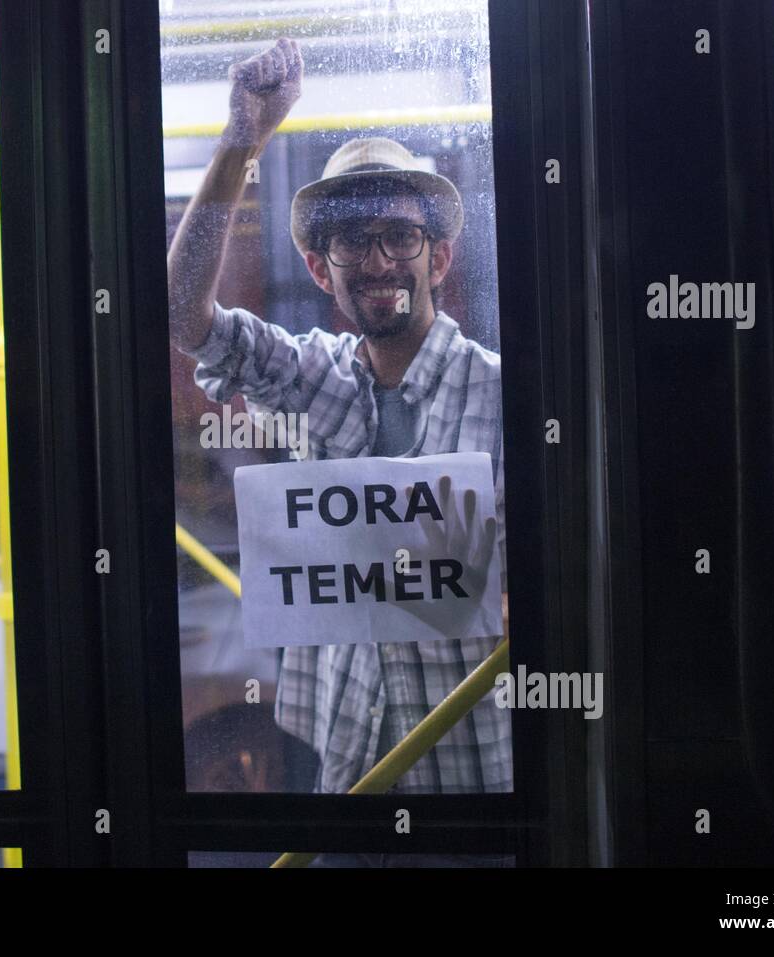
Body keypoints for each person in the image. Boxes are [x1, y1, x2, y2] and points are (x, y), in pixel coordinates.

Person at [168, 37, 509, 796]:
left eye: (401, 235)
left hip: (476, 785)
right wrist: (240, 141)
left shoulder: (505, 396)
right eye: (354, 240)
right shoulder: (316, 379)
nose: (380, 258)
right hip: (345, 781)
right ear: (323, 270)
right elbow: (182, 313)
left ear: (438, 260)